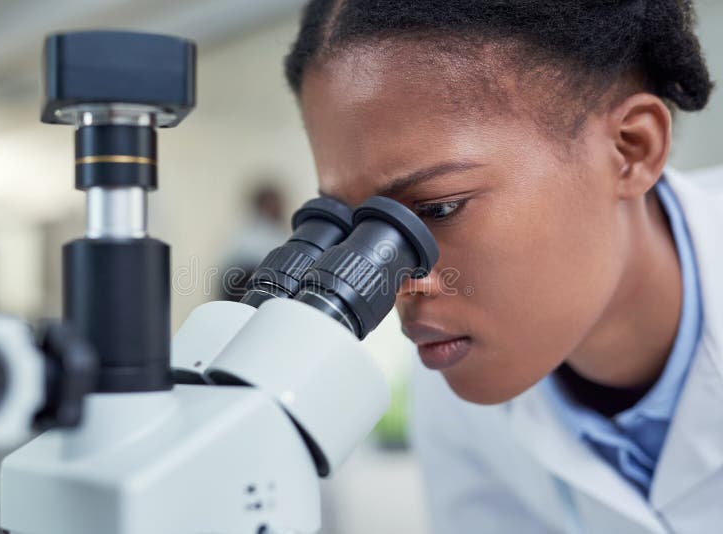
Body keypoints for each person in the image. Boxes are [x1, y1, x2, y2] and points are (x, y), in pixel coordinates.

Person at [283, 1, 722, 533]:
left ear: (631, 149)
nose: (393, 278)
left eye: (438, 209)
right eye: (358, 231)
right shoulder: (452, 380)